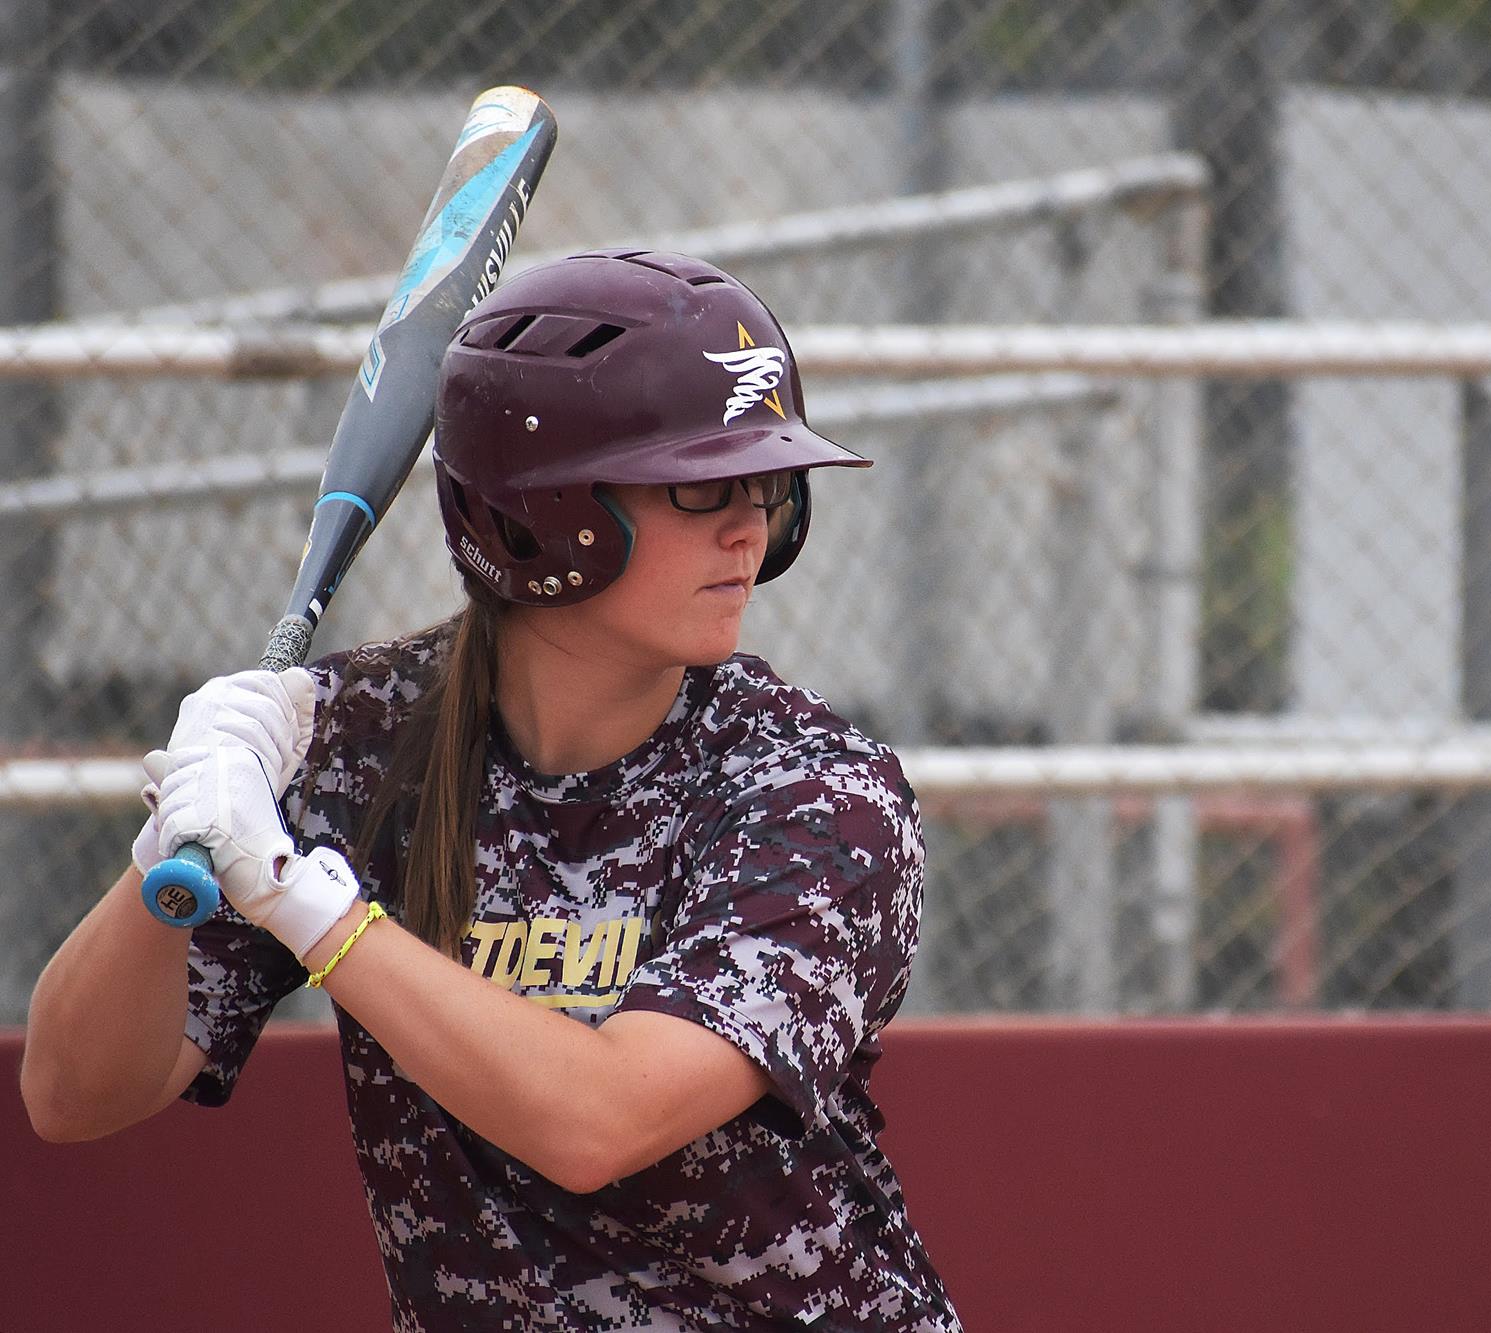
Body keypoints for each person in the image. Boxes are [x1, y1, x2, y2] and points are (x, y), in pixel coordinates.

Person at [21, 249, 963, 1332]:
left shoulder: (812, 791)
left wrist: (294, 894)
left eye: (769, 485)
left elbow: (599, 1120)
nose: (747, 527)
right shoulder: (355, 747)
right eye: (702, 486)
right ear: (536, 513)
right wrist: (176, 837)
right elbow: (72, 1093)